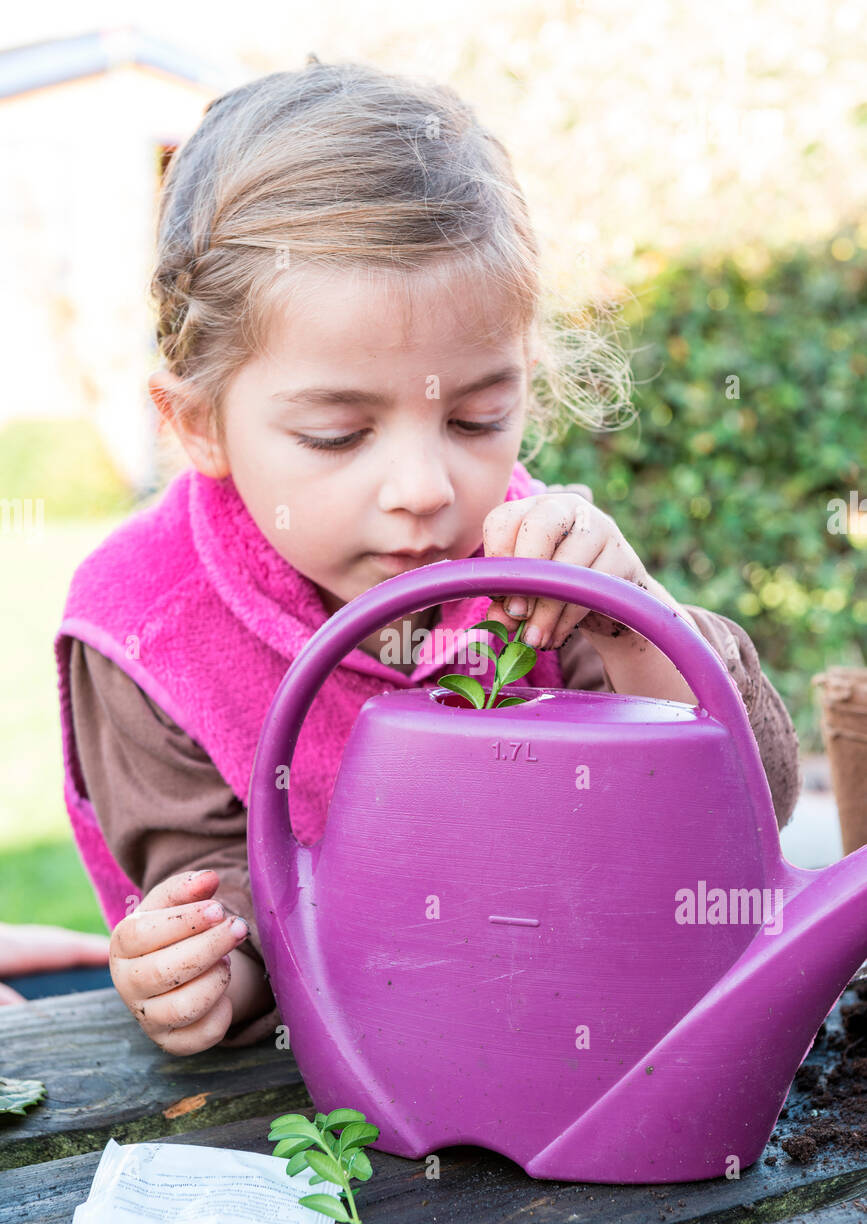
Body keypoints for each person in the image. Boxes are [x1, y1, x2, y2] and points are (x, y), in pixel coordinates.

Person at [54, 58, 800, 1058]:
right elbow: (218, 890)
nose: (425, 488)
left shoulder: (543, 564)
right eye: (337, 434)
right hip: (342, 1098)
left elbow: (752, 809)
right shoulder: (148, 626)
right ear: (198, 425)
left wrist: (632, 617)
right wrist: (200, 975)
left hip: (577, 1044)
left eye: (479, 416)